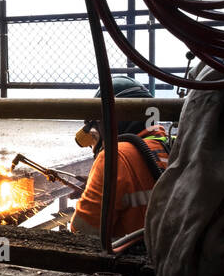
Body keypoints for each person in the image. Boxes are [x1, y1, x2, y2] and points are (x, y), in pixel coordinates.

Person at [70, 76, 171, 239]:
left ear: (109, 120)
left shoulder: (114, 158)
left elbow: (81, 231)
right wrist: (99, 187)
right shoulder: (175, 146)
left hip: (134, 259)